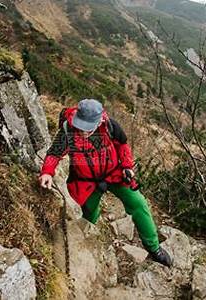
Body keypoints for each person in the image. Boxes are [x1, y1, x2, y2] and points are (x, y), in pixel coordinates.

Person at [39, 99, 172, 267]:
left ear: (99, 120)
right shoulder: (68, 131)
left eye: (87, 128)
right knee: (89, 214)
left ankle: (154, 248)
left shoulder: (110, 126)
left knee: (138, 203)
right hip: (86, 181)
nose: (83, 132)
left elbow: (122, 147)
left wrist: (127, 167)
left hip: (114, 174)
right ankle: (89, 244)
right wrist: (46, 173)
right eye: (81, 126)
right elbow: (54, 154)